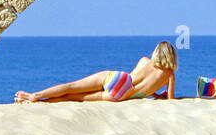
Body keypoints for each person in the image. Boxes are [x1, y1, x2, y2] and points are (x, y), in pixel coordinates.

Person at [14, 41, 178, 104]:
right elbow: (170, 100)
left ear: (156, 53)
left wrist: (154, 94)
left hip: (119, 79)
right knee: (75, 98)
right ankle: (42, 102)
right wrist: (157, 95)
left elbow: (135, 78)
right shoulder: (169, 74)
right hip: (123, 94)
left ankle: (35, 95)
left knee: (71, 86)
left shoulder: (144, 60)